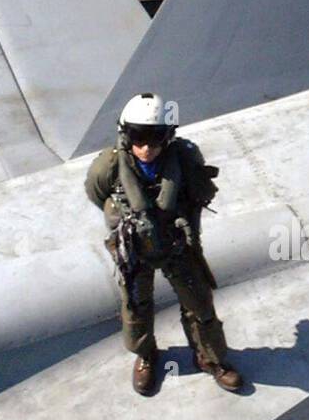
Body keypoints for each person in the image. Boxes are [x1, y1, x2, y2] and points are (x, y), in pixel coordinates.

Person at [84, 92, 243, 395]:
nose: (146, 148)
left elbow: (200, 190)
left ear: (168, 137)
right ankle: (146, 355)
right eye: (138, 138)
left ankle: (210, 358)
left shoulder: (184, 158)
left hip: (176, 246)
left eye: (155, 139)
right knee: (136, 307)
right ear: (125, 134)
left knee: (199, 305)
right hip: (134, 251)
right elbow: (96, 193)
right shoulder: (109, 167)